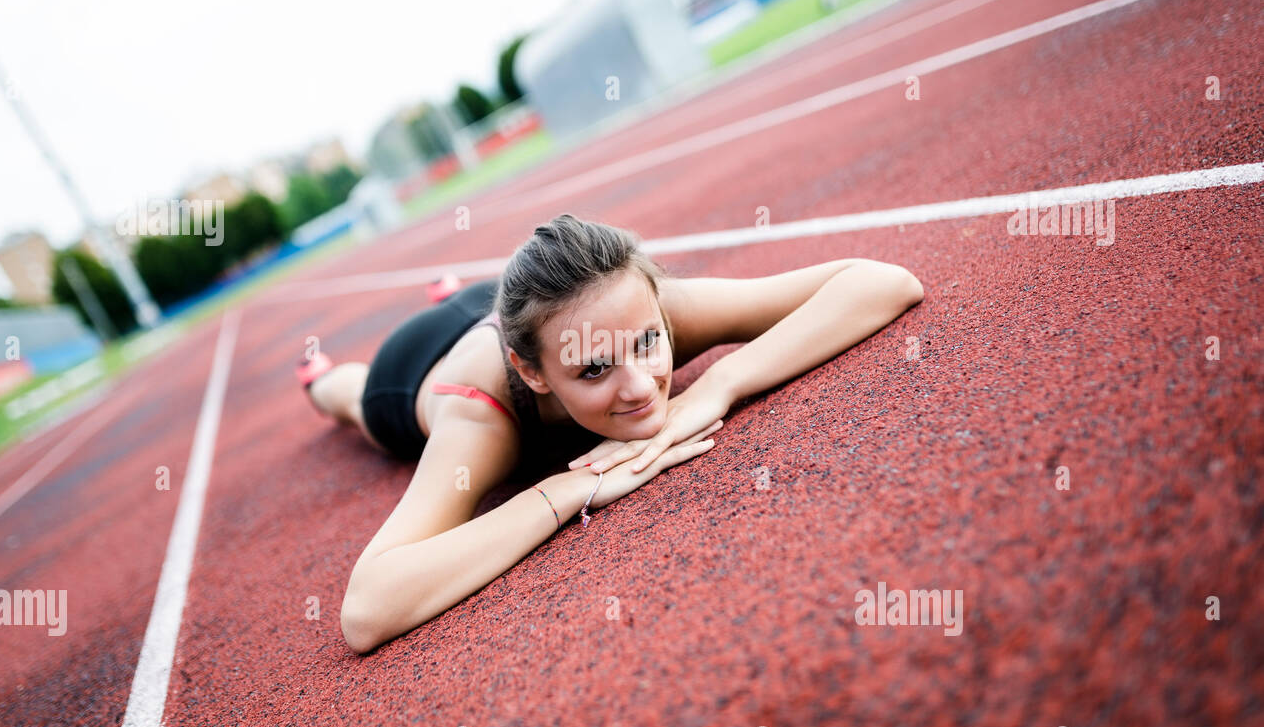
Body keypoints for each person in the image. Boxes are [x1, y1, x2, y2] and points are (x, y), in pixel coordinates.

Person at [297, 214, 924, 653]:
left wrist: (716, 386)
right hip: (414, 371)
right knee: (357, 407)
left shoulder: (622, 307)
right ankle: (324, 379)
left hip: (521, 305)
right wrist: (568, 493)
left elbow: (885, 281)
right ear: (532, 371)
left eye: (651, 343)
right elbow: (367, 608)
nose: (641, 387)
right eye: (594, 369)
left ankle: (458, 294)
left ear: (655, 303)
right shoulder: (481, 416)